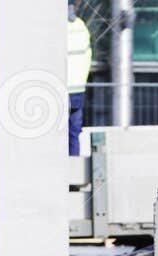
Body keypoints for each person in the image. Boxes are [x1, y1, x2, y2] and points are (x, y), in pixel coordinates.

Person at [68, 3, 91, 156]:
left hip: (61, 88)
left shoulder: (56, 27)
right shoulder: (81, 26)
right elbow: (87, 57)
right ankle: (73, 175)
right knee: (73, 133)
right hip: (78, 88)